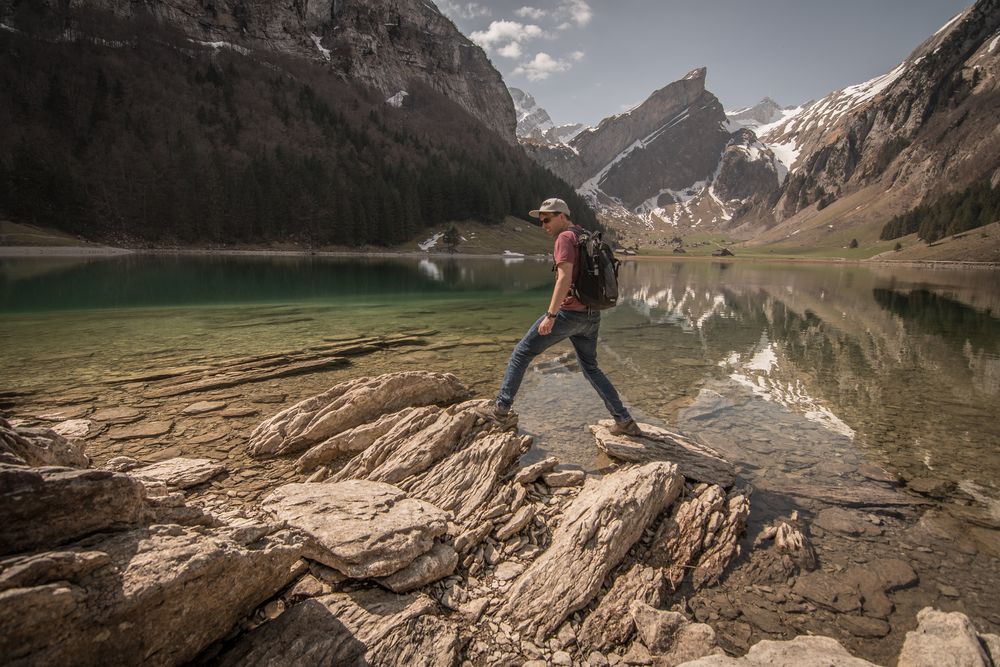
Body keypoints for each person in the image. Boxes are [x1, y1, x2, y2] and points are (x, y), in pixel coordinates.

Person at [480, 197, 642, 436]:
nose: (543, 225)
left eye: (547, 219)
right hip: (591, 315)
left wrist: (551, 315)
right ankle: (624, 421)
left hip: (569, 314)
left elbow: (564, 278)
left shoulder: (564, 238)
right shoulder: (583, 234)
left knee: (521, 352)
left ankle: (501, 411)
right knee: (590, 368)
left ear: (562, 216)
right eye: (541, 221)